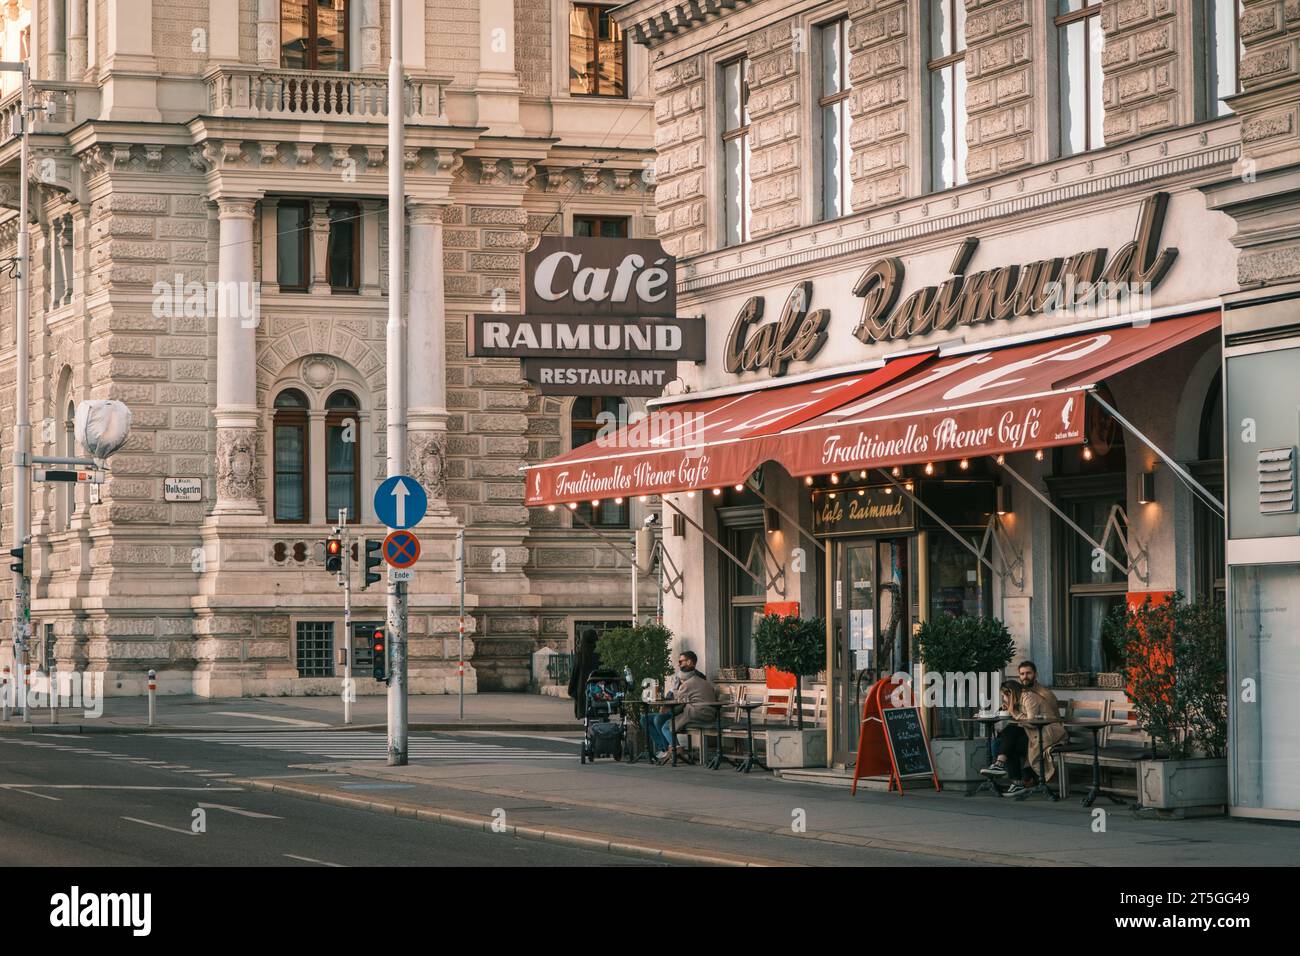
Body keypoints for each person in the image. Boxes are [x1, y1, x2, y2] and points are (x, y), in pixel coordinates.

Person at [980, 675, 1066, 796]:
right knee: (1009, 738)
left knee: (1010, 732)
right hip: (1035, 733)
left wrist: (1013, 712)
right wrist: (1012, 709)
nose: (1003, 699)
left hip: (1047, 733)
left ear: (1010, 693)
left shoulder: (1029, 698)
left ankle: (1003, 768)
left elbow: (1031, 722)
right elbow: (1024, 720)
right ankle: (1015, 781)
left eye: (1004, 696)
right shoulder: (1019, 700)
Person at [642, 651, 718, 763]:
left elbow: (679, 699)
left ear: (690, 662)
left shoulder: (695, 677)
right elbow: (674, 693)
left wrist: (666, 705)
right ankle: (666, 749)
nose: (678, 664)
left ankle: (675, 750)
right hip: (685, 709)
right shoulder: (681, 676)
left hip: (687, 711)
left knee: (661, 722)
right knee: (645, 718)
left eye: (680, 661)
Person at [566, 628, 602, 720]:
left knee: (587, 714)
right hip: (599, 689)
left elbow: (575, 673)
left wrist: (571, 689)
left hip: (583, 688)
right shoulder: (600, 654)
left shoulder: (580, 655)